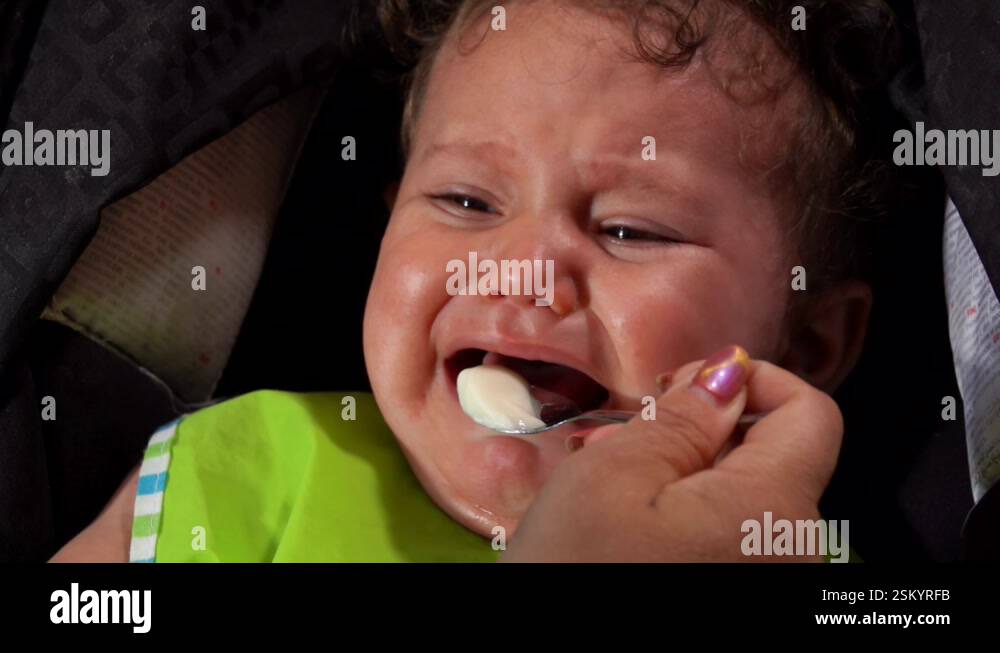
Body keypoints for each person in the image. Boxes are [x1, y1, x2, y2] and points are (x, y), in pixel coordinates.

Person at [52, 0, 902, 562]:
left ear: (811, 342)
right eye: (465, 200)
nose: (521, 268)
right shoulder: (247, 472)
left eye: (629, 230)